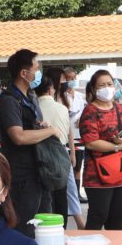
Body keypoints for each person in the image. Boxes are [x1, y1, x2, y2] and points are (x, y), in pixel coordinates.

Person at [0, 48, 56, 235]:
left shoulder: (31, 97)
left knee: (44, 223)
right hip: (22, 174)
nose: (38, 73)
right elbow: (19, 136)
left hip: (39, 169)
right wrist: (50, 131)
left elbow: (32, 128)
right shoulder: (9, 99)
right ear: (24, 73)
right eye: (36, 68)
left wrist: (41, 126)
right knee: (25, 224)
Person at [80, 70, 122, 231]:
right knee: (98, 216)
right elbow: (90, 142)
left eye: (110, 84)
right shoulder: (90, 111)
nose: (107, 87)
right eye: (102, 85)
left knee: (120, 220)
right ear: (93, 89)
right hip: (97, 176)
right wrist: (118, 146)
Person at [36, 67, 83, 228]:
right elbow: (68, 130)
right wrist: (71, 151)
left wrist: (73, 151)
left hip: (41, 153)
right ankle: (62, 227)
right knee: (62, 191)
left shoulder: (35, 106)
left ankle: (58, 225)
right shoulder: (60, 105)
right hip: (60, 151)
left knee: (50, 192)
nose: (65, 82)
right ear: (52, 86)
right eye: (63, 79)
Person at [64, 68, 87, 203]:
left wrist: (81, 120)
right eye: (69, 78)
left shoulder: (79, 96)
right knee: (68, 168)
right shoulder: (61, 96)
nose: (72, 81)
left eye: (73, 78)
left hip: (78, 135)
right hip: (67, 137)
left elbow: (84, 113)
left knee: (78, 166)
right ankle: (68, 195)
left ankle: (77, 194)